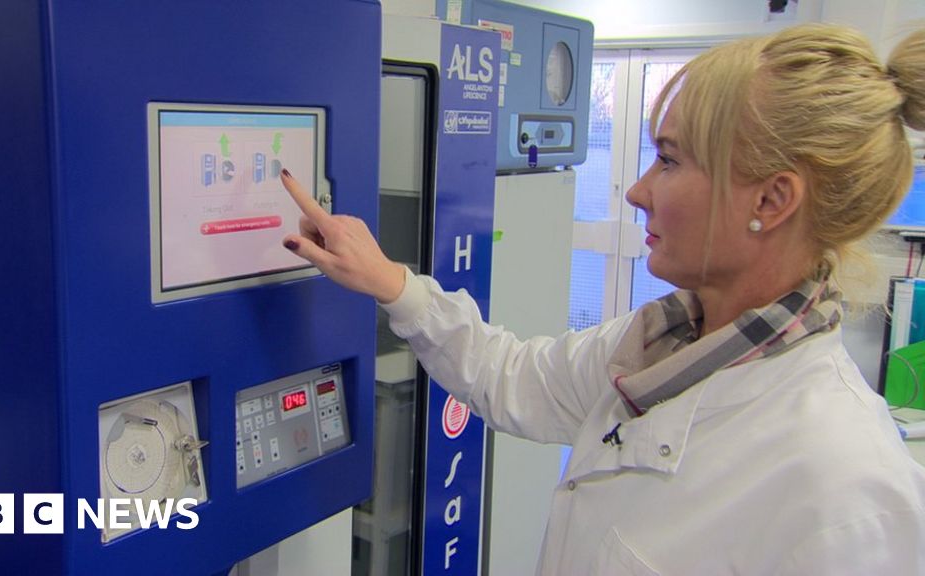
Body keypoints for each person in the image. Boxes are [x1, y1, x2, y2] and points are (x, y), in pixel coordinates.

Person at [280, 23, 925, 575]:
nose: (636, 191)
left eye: (668, 160)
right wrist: (390, 281)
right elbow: (513, 377)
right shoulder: (661, 345)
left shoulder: (848, 493)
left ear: (771, 200)